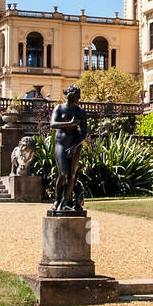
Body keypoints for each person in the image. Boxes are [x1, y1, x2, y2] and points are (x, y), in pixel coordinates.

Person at [50, 84, 89, 214]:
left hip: (75, 144)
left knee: (72, 175)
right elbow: (53, 124)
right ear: (69, 95)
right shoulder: (59, 108)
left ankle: (66, 201)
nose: (78, 97)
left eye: (78, 95)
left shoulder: (80, 112)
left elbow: (84, 133)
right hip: (60, 143)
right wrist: (70, 124)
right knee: (63, 174)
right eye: (76, 94)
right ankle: (57, 199)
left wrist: (74, 147)